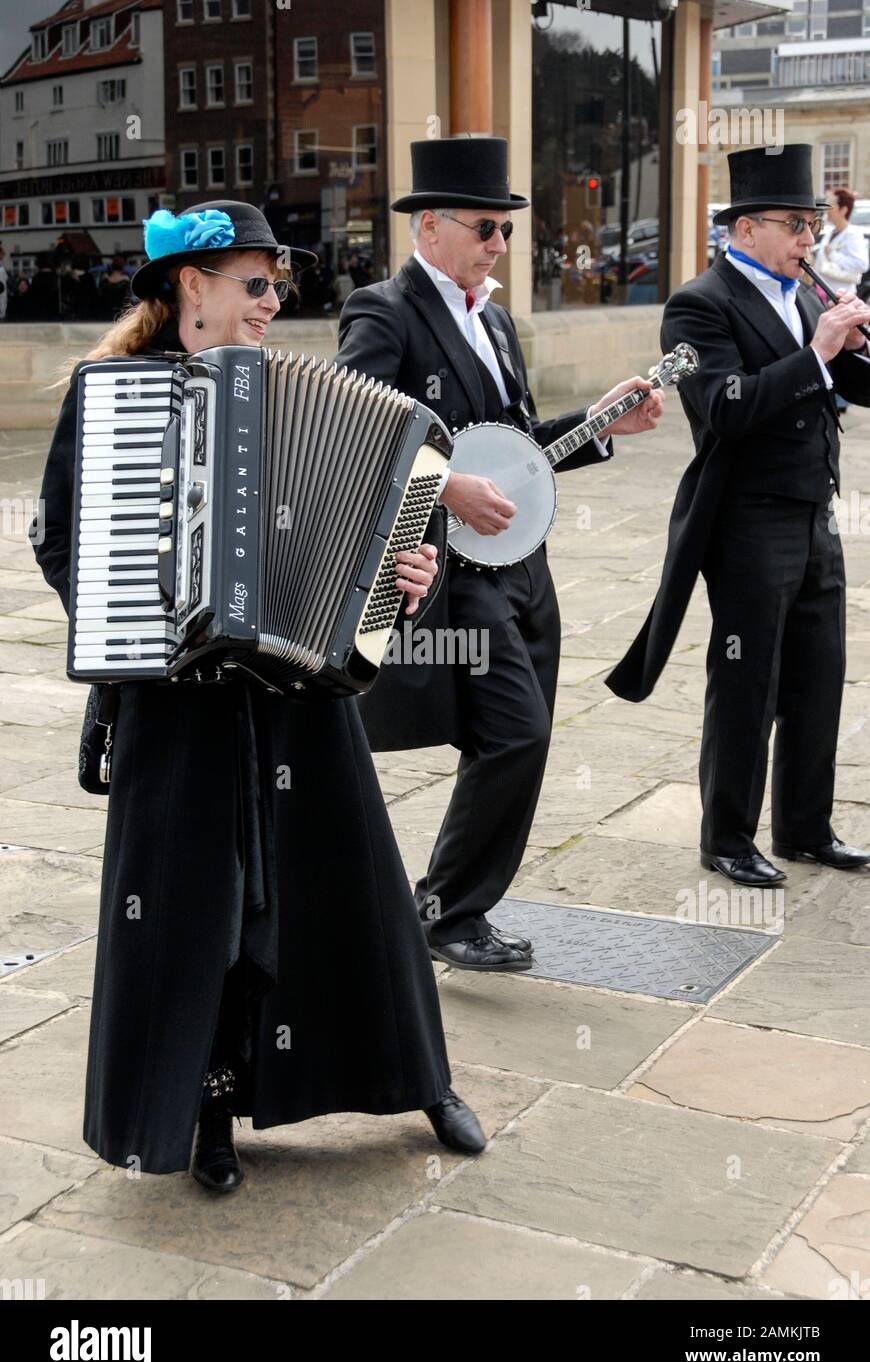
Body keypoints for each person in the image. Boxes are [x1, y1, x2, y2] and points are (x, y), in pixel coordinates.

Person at [30, 199, 485, 1193]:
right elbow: (62, 540)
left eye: (278, 285)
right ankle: (207, 1109)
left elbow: (392, 519)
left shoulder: (290, 386)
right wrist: (124, 605)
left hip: (299, 691)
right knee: (198, 912)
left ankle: (421, 1077)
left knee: (351, 888)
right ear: (191, 284)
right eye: (255, 283)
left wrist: (411, 577)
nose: (274, 303)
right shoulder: (112, 398)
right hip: (175, 700)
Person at [335, 137, 663, 971]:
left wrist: (597, 424)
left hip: (525, 567)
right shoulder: (384, 311)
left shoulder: (498, 321)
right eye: (487, 227)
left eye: (507, 229)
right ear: (432, 226)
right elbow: (354, 425)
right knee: (514, 735)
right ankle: (446, 917)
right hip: (453, 570)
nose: (500, 244)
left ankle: (445, 911)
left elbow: (511, 446)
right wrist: (445, 490)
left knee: (522, 737)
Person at [606, 145, 870, 884]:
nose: (807, 240)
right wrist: (816, 354)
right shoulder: (699, 305)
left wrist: (850, 339)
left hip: (815, 508)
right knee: (747, 676)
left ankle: (805, 827)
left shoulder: (808, 294)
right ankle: (727, 838)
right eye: (795, 224)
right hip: (748, 518)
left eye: (813, 224)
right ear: (746, 228)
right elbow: (724, 409)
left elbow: (850, 376)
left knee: (821, 672)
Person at [813, 187, 869, 415]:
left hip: (841, 296)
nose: (828, 210)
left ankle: (841, 399)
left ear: (843, 208)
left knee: (843, 345)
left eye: (832, 205)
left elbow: (861, 264)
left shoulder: (852, 233)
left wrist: (832, 255)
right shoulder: (830, 232)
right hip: (822, 295)